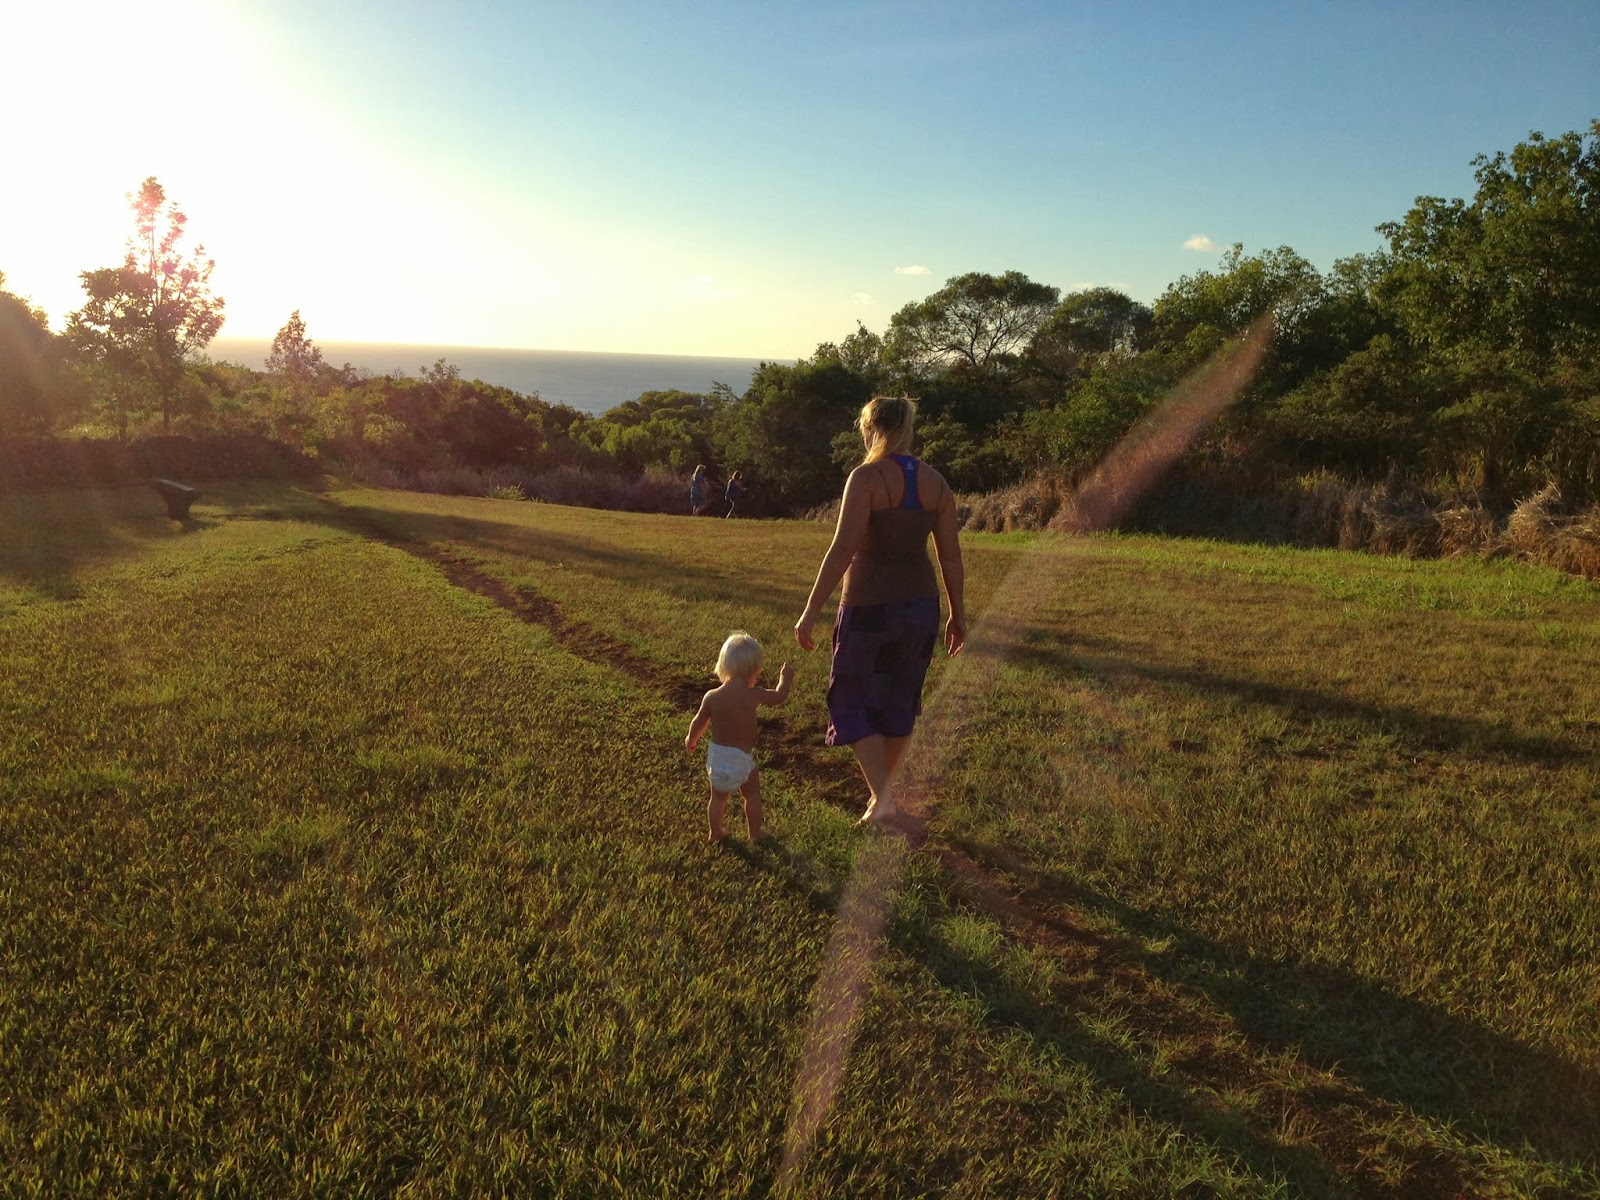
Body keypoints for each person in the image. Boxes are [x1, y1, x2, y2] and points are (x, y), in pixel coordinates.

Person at [793, 396, 965, 826]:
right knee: (898, 701)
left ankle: (883, 797)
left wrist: (811, 609)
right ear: (909, 428)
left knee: (849, 699)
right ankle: (882, 798)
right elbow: (951, 559)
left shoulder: (866, 478)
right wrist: (958, 616)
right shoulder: (937, 484)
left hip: (868, 606)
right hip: (921, 608)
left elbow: (843, 548)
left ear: (871, 429)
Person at [685, 631, 794, 842]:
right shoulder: (754, 694)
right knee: (751, 795)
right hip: (742, 760)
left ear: (724, 665)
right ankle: (755, 833)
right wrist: (785, 679)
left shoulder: (712, 696)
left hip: (717, 758)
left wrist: (692, 739)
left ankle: (715, 832)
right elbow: (779, 696)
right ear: (754, 671)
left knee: (717, 798)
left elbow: (699, 722)